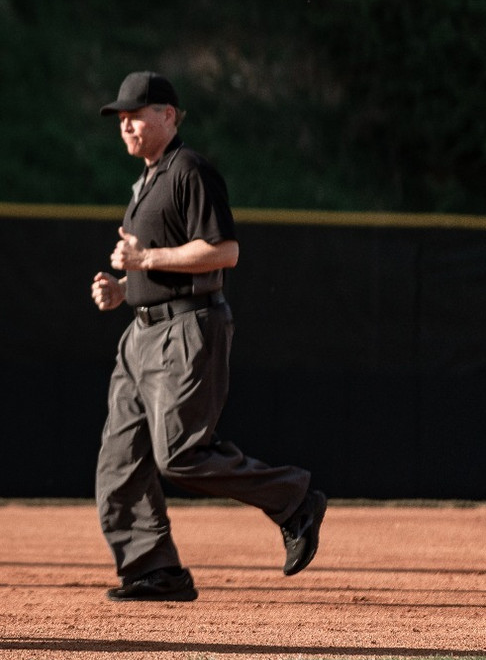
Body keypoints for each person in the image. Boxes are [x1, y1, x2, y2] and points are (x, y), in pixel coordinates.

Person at [89, 71, 325, 602]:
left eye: (136, 112)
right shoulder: (147, 181)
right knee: (119, 460)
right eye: (120, 116)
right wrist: (124, 289)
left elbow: (224, 252)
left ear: (168, 115)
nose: (125, 123)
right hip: (141, 336)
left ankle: (295, 497)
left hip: (186, 330)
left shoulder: (188, 170)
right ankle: (154, 569)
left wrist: (143, 259)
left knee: (180, 456)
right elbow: (160, 265)